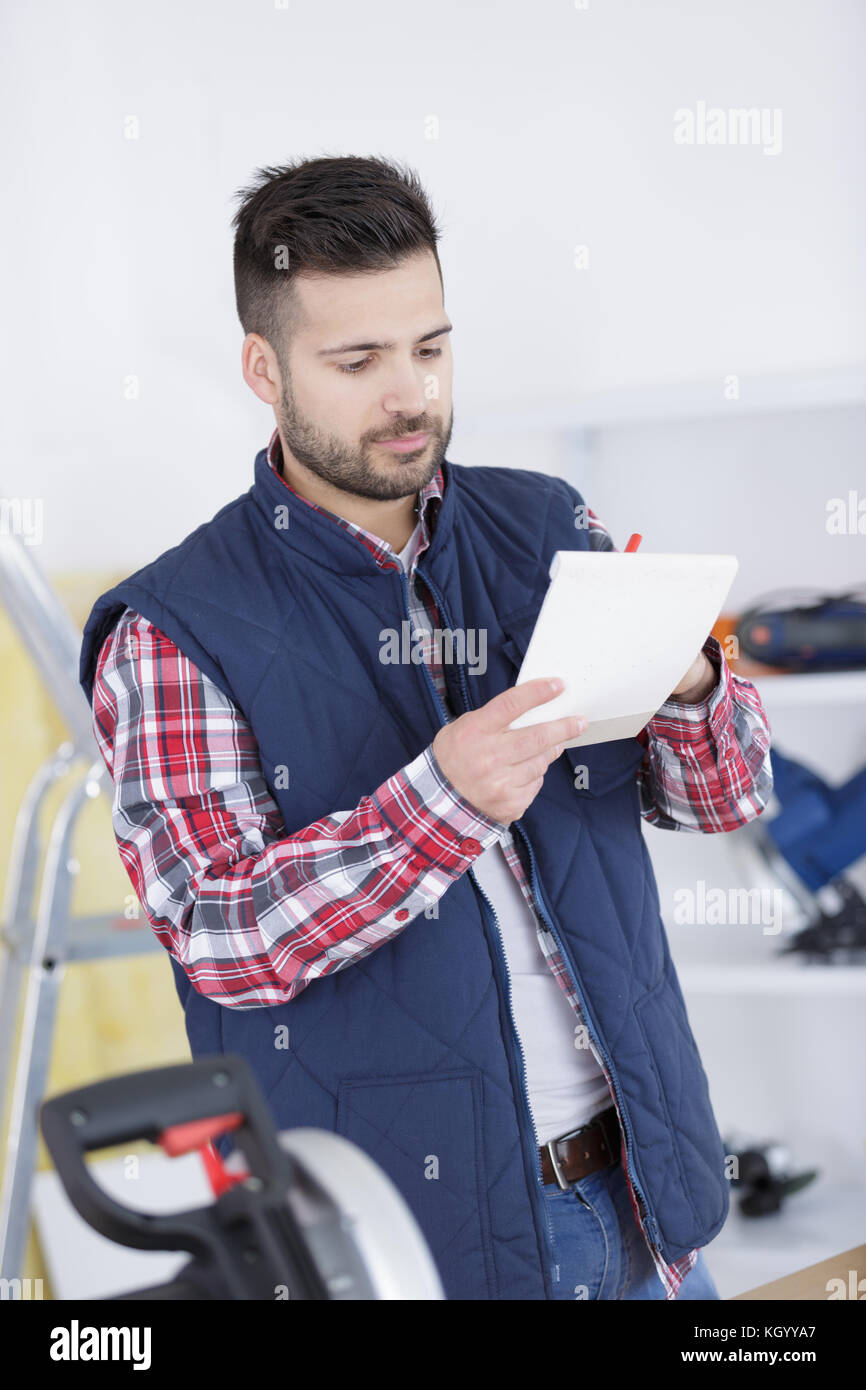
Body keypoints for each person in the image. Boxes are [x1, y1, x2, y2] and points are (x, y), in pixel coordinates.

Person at [79, 155, 773, 1301]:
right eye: (356, 360)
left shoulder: (546, 521)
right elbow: (219, 938)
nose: (410, 394)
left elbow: (723, 799)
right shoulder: (175, 627)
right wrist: (438, 803)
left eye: (430, 347)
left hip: (650, 1208)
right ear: (264, 367)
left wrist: (693, 679)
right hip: (417, 1248)